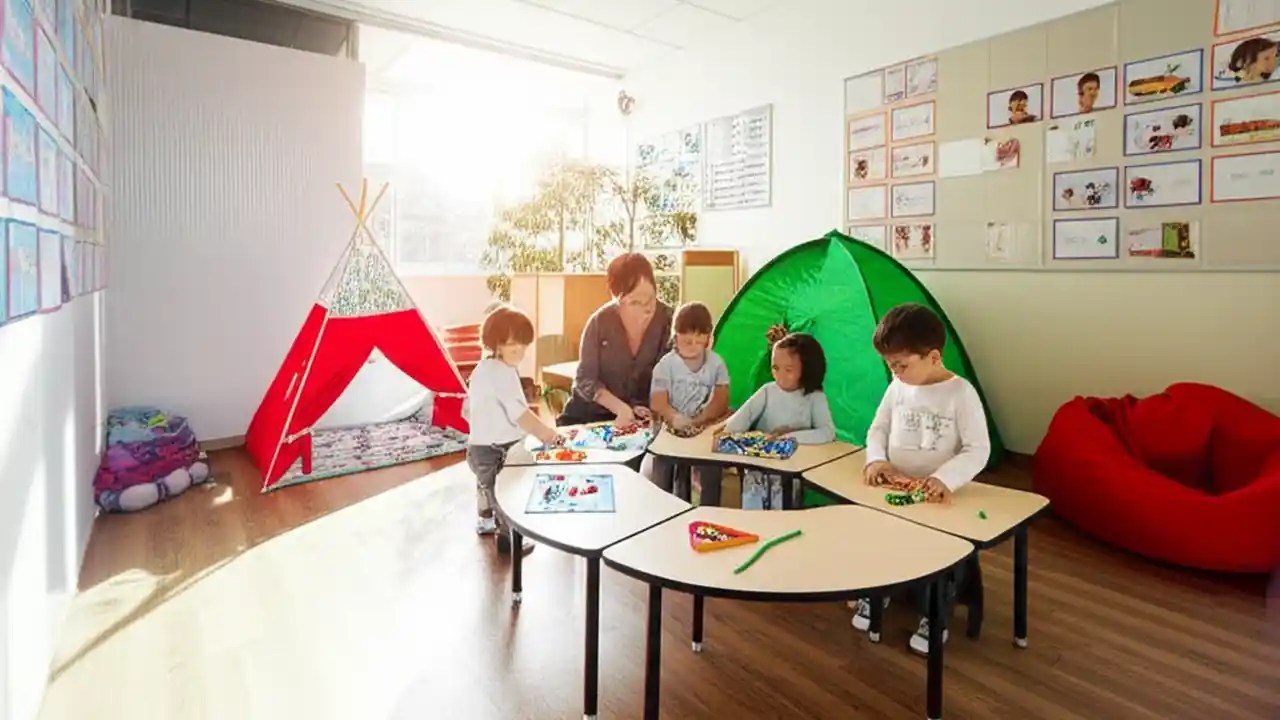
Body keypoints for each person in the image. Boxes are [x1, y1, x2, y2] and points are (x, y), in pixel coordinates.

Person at [850, 303, 991, 656]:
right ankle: (876, 592)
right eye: (889, 365)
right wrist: (876, 459)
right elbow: (878, 428)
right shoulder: (898, 387)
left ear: (933, 357)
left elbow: (978, 449)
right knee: (877, 540)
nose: (895, 373)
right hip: (895, 488)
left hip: (937, 496)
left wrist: (945, 479)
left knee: (937, 556)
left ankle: (935, 615)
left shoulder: (961, 393)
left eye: (901, 364)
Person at [465, 304, 563, 555]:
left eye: (523, 345)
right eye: (512, 345)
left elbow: (466, 409)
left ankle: (485, 521)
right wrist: (548, 434)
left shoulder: (482, 369)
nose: (519, 351)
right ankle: (509, 538)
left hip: (478, 447)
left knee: (486, 487)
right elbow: (519, 414)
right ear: (495, 344)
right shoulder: (503, 373)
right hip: (500, 448)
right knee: (506, 492)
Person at [712, 332, 835, 508]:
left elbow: (827, 432)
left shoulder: (815, 397)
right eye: (775, 368)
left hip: (792, 472)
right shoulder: (767, 391)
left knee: (784, 513)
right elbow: (739, 421)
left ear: (807, 368)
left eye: (788, 370)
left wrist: (789, 437)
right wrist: (728, 435)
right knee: (754, 513)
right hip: (758, 470)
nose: (780, 376)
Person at [562, 253, 674, 431]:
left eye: (651, 299)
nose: (646, 309)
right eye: (635, 302)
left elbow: (677, 377)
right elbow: (585, 379)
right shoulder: (599, 322)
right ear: (617, 299)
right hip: (591, 415)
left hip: (645, 419)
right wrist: (620, 407)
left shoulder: (670, 321)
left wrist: (648, 408)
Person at [647, 302, 730, 504]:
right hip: (670, 428)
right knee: (663, 464)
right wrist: (675, 417)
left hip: (703, 428)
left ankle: (710, 509)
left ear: (708, 339)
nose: (693, 346)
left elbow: (721, 400)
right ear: (675, 337)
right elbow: (658, 402)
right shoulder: (665, 365)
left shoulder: (716, 363)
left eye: (698, 341)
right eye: (687, 341)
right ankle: (663, 507)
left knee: (712, 465)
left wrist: (700, 420)